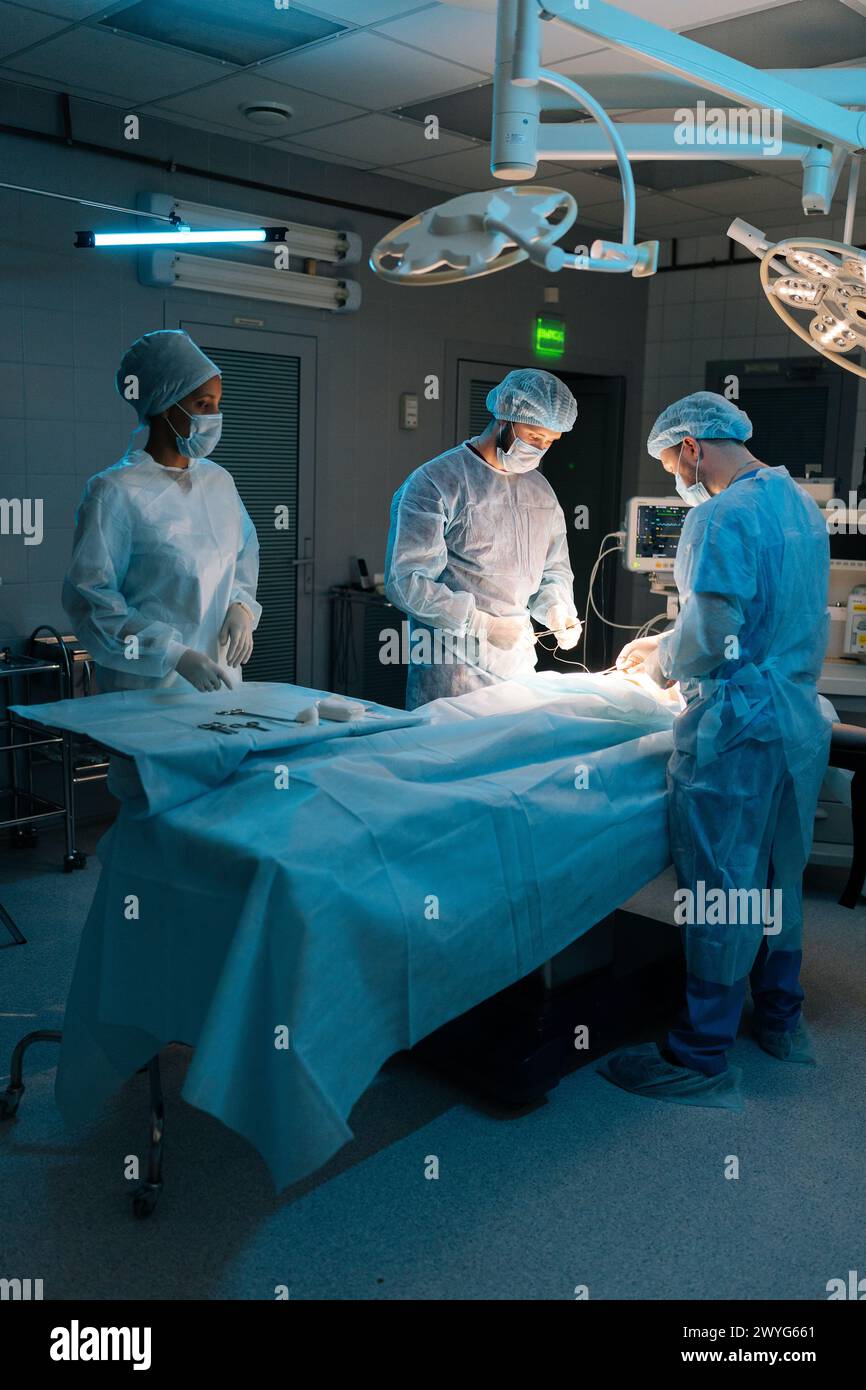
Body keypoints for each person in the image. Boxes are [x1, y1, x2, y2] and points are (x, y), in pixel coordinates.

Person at [599, 391, 829, 1109]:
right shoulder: (801, 506)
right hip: (797, 720)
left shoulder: (719, 515)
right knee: (778, 878)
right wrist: (677, 641)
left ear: (692, 448)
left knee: (722, 889)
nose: (678, 476)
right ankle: (781, 1023)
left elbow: (709, 638)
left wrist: (658, 657)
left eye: (672, 461)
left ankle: (700, 1054)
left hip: (739, 729)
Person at [63, 330, 261, 694]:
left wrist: (241, 607)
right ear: (165, 406)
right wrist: (172, 653)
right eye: (203, 405)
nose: (214, 416)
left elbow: (243, 557)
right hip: (146, 690)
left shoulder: (219, 483)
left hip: (221, 684)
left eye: (218, 404)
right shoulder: (115, 492)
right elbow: (92, 600)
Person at [385, 368, 581, 708]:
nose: (541, 448)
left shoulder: (541, 492)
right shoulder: (435, 483)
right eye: (535, 436)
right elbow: (406, 582)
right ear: (505, 419)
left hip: (518, 667)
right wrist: (480, 623)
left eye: (550, 442)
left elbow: (553, 571)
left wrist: (556, 610)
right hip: (451, 674)